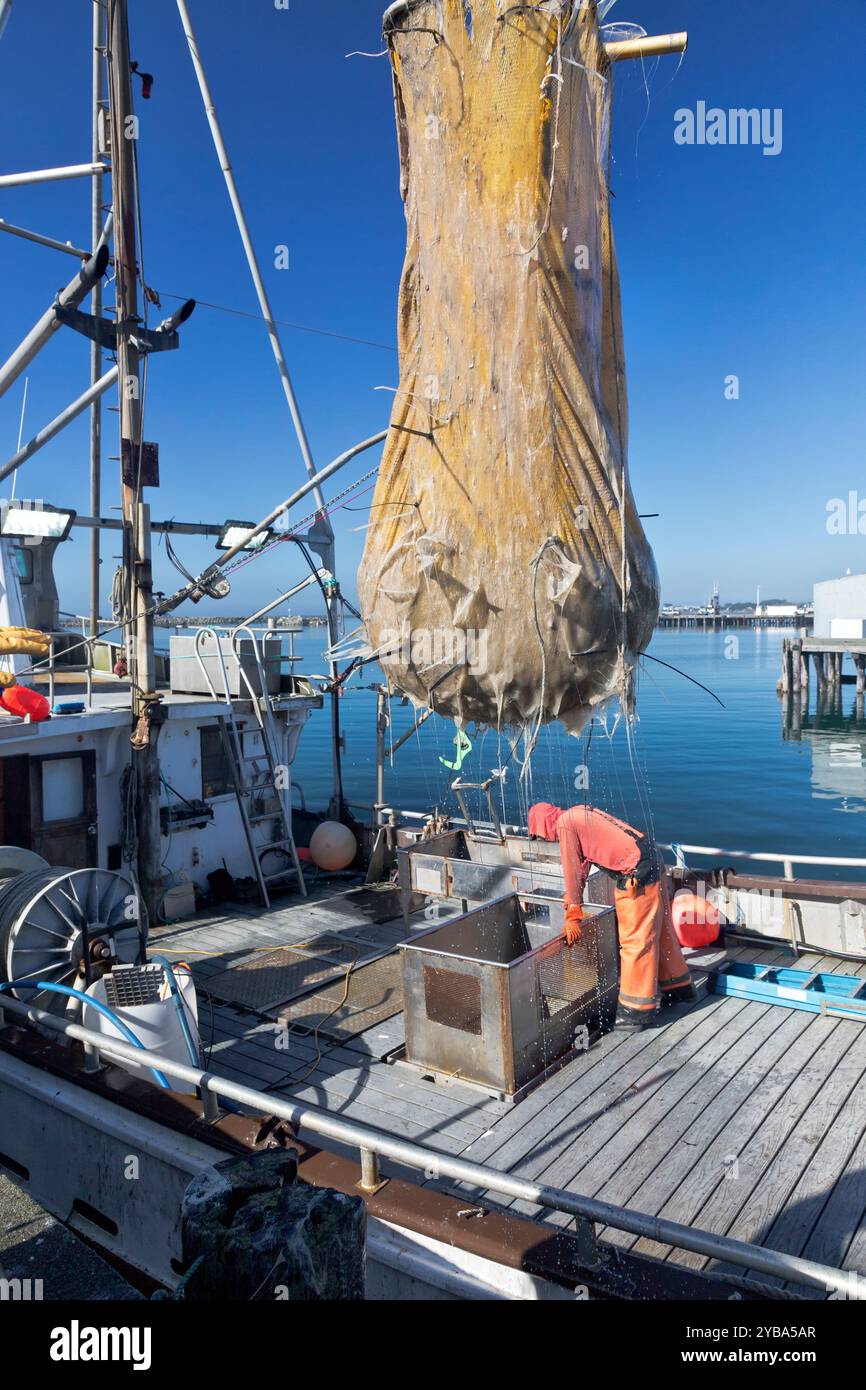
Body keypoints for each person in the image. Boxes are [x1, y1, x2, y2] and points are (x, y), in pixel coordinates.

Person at [528, 802, 695, 1029]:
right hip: (652, 858)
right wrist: (573, 900)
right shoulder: (576, 813)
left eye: (540, 835)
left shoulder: (564, 826)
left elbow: (572, 870)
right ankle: (679, 988)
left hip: (637, 871)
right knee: (662, 931)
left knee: (636, 941)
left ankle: (634, 1013)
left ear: (542, 825)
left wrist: (573, 915)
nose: (546, 840)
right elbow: (583, 862)